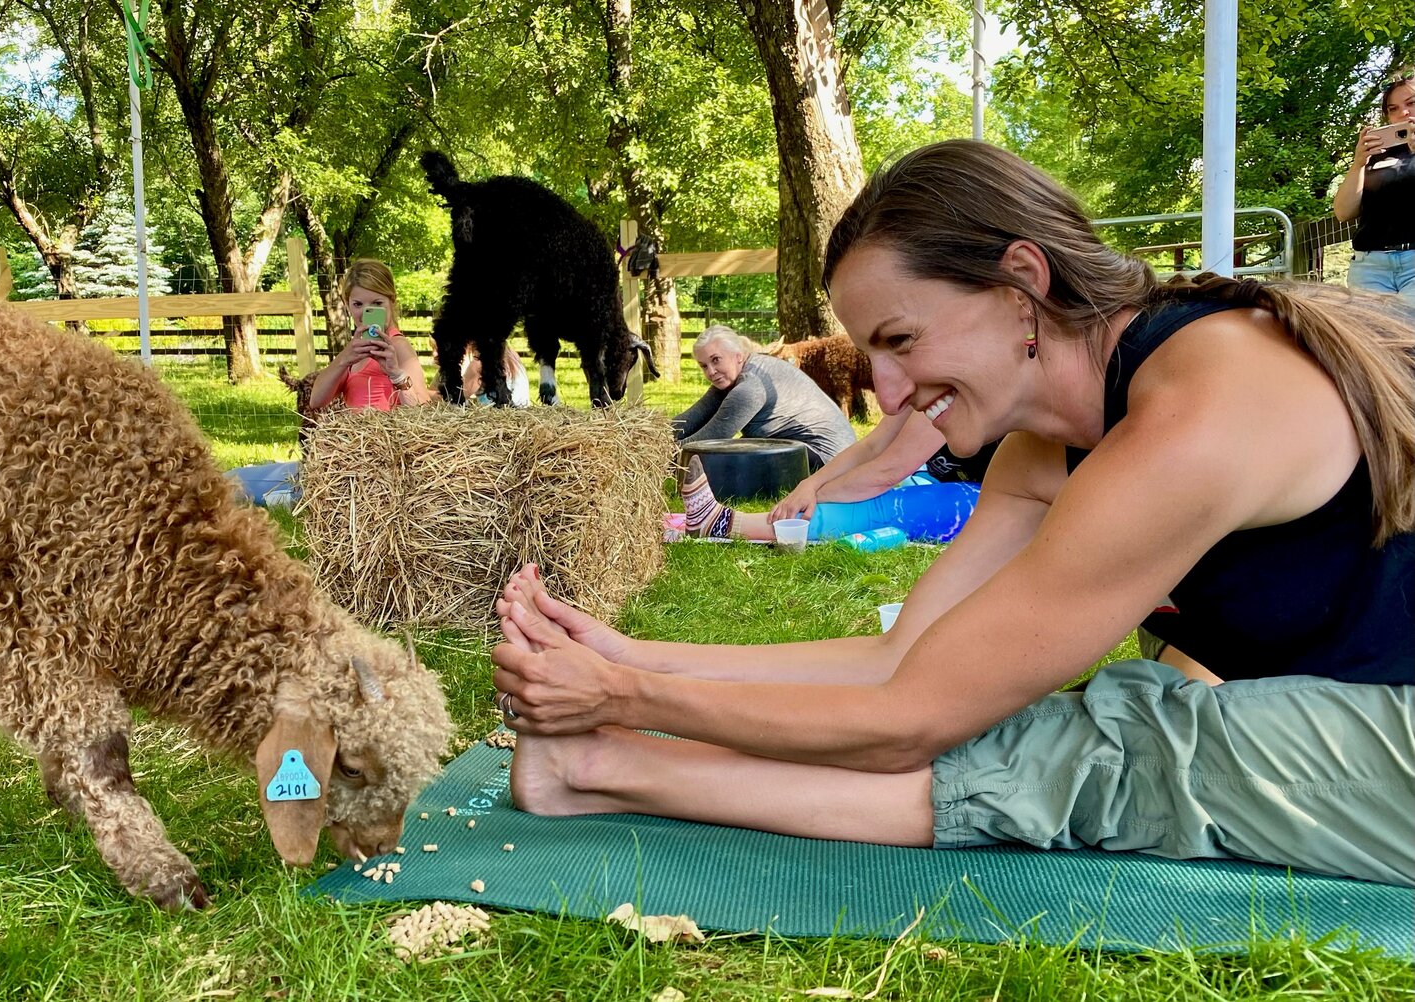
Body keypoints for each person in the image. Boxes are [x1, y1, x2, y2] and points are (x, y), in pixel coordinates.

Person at [487, 140, 1415, 887]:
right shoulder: (1044, 449)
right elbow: (903, 661)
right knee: (1034, 715)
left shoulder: (1197, 409)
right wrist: (625, 655)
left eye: (900, 340)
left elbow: (909, 720)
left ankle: (601, 770)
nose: (885, 390)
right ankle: (595, 766)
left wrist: (621, 704)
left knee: (1109, 743)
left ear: (1022, 285)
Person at [678, 405, 997, 543]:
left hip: (1001, 497)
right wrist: (810, 482)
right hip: (948, 479)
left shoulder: (951, 384)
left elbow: (888, 470)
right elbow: (872, 447)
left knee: (887, 505)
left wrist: (813, 496)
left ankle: (726, 524)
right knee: (881, 492)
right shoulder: (926, 379)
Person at [673, 326, 856, 471]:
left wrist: (660, 455)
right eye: (704, 366)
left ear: (738, 356)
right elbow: (691, 418)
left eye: (716, 360)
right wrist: (650, 435)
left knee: (724, 456)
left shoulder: (750, 387)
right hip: (810, 451)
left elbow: (709, 441)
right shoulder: (734, 377)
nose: (711, 372)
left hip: (828, 461)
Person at [307, 259, 435, 411]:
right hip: (358, 434)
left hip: (386, 434)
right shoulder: (356, 351)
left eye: (377, 303)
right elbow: (316, 401)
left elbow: (423, 411)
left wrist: (396, 374)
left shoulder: (397, 346)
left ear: (392, 300)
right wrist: (344, 359)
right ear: (347, 304)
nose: (365, 312)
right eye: (358, 304)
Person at [1334, 75, 1415, 301]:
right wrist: (1358, 163)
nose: (1404, 113)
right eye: (1393, 108)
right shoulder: (1377, 155)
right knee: (1366, 335)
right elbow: (1343, 212)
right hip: (1369, 266)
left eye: (1411, 103)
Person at [462, 344, 531, 406]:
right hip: (522, 407)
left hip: (497, 410)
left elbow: (464, 393)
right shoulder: (513, 356)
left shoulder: (479, 362)